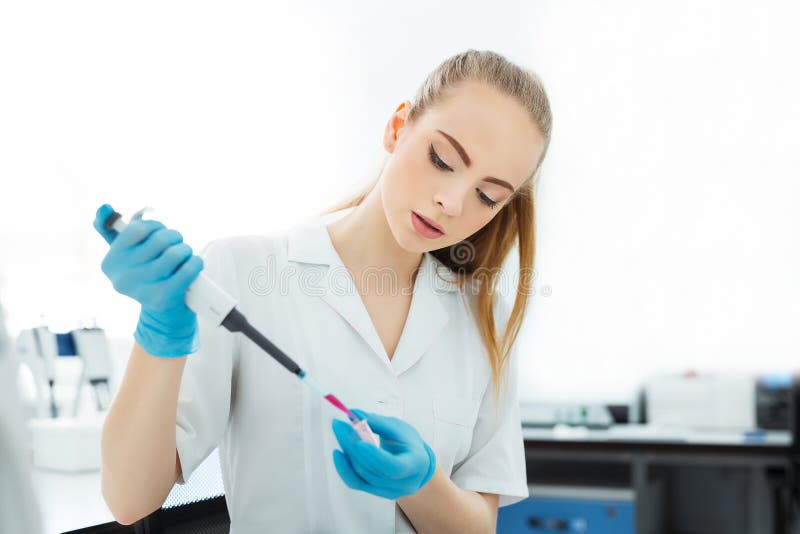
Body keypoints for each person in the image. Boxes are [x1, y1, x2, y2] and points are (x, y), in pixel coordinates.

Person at [94, 48, 552, 533]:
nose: (452, 201)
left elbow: (478, 527)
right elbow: (129, 498)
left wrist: (421, 483)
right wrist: (159, 331)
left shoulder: (485, 317)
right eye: (441, 159)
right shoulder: (244, 271)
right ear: (398, 127)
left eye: (488, 196)